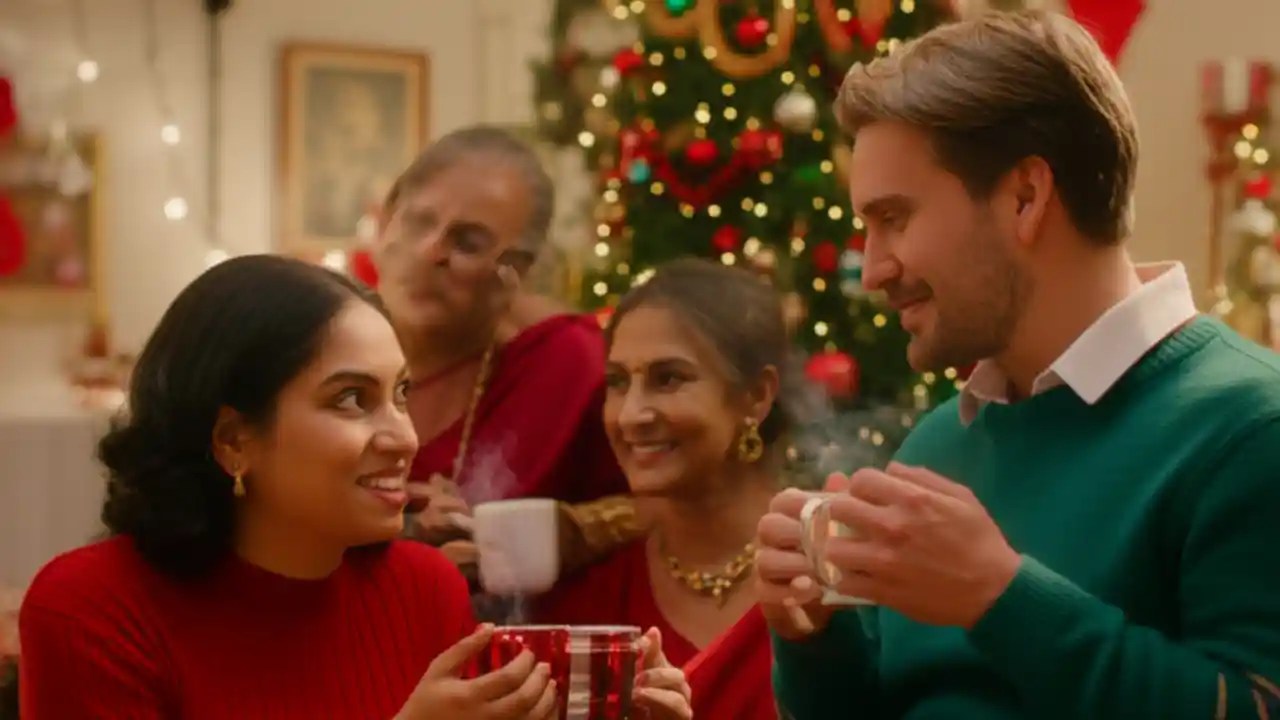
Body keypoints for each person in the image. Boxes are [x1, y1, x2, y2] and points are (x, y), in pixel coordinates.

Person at [755, 10, 1280, 720]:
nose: (872, 269)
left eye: (894, 219)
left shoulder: (1249, 427)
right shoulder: (937, 444)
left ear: (1025, 198)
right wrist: (816, 638)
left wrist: (1000, 596)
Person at [17, 255, 691, 719]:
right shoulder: (93, 611)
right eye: (349, 400)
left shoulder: (423, 589)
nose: (401, 436)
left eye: (400, 395)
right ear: (233, 441)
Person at [375, 126, 640, 588]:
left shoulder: (563, 366)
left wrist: (570, 531)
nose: (430, 252)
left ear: (516, 271)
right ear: (387, 216)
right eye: (418, 221)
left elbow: (664, 504)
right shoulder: (311, 347)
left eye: (468, 243)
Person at [535, 259, 794, 720]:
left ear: (756, 396)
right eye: (616, 382)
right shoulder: (584, 602)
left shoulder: (824, 580)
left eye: (668, 378)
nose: (631, 414)